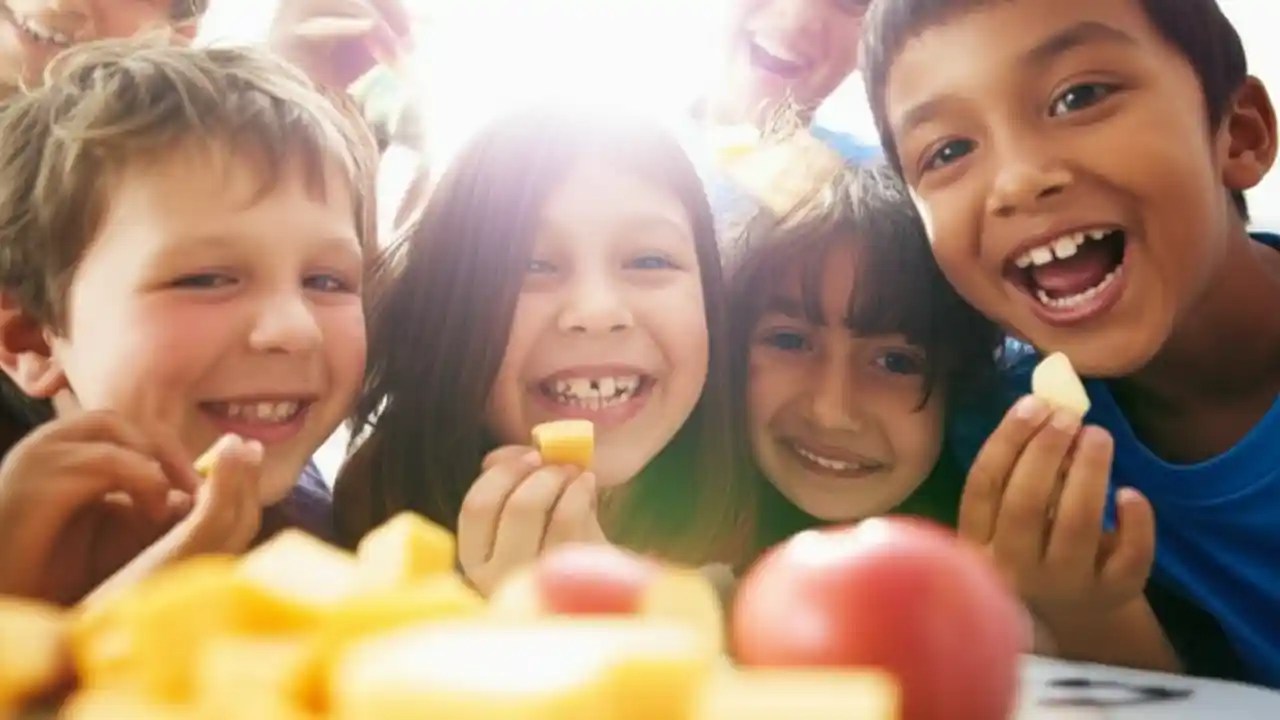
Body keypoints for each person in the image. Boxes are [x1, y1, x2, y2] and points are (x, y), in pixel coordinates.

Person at [861, 0, 1280, 684]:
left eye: (1079, 97)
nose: (1017, 182)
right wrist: (1092, 618)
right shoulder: (1000, 441)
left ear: (1239, 134)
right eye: (948, 151)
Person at [0, 39, 376, 605]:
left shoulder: (340, 545)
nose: (295, 329)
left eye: (326, 281)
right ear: (32, 339)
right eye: (205, 279)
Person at [334, 108, 750, 595]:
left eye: (649, 260)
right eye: (531, 265)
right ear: (445, 313)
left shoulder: (777, 522)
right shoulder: (376, 529)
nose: (596, 311)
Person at [726, 161, 998, 559]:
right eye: (789, 340)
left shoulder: (1023, 579)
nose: (831, 414)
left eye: (895, 362)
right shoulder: (658, 550)